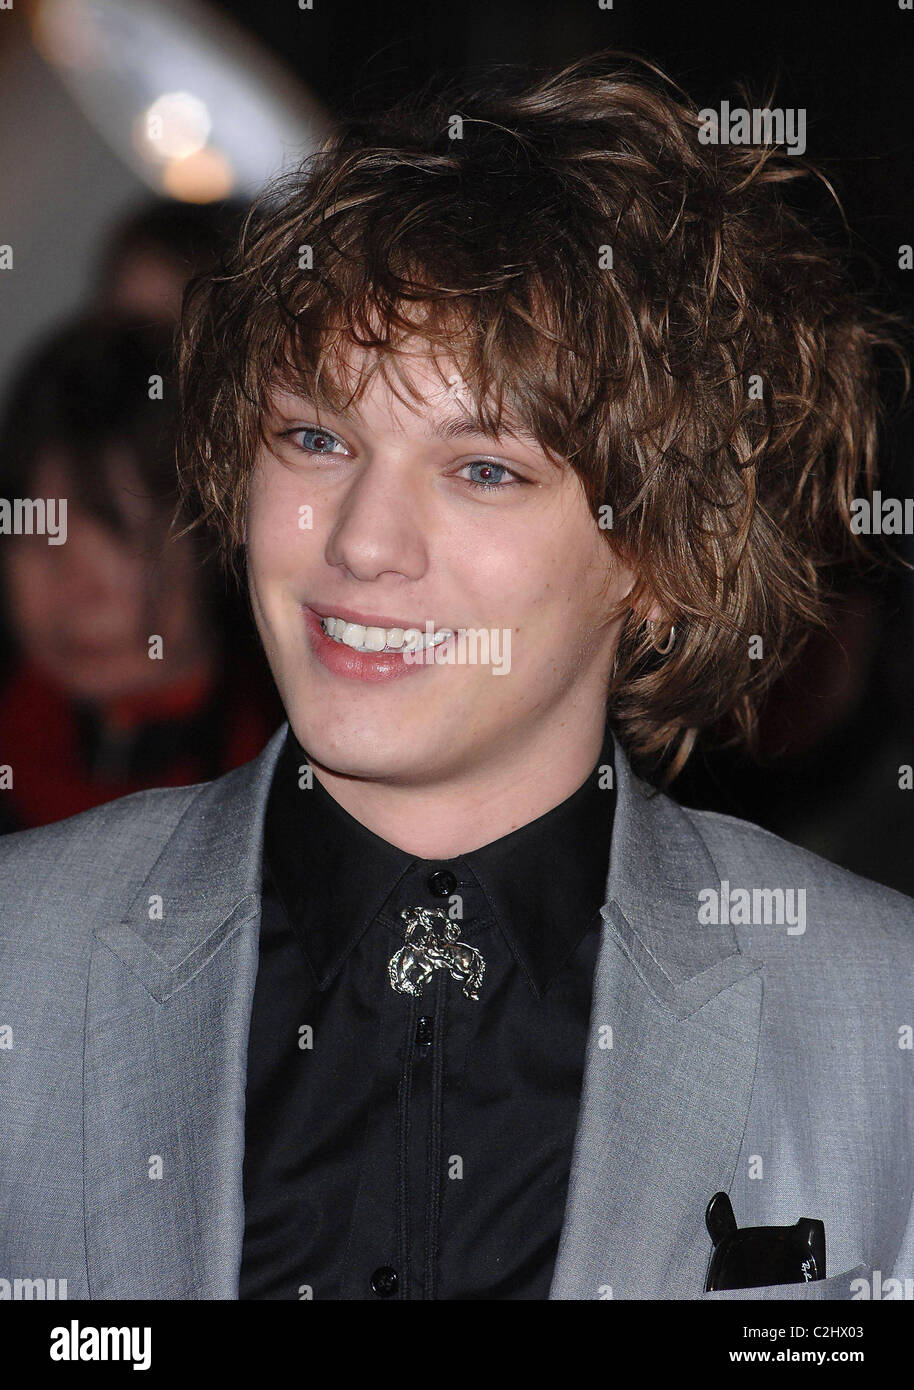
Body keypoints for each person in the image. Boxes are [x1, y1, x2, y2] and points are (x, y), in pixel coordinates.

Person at [1, 53, 912, 1301]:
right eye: (316, 439)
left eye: (483, 467)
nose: (361, 540)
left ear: (657, 554)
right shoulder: (23, 962)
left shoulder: (874, 1017)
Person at [0, 317, 279, 832]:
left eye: (120, 537)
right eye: (37, 542)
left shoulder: (284, 787)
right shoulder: (17, 745)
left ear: (208, 536)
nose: (76, 594)